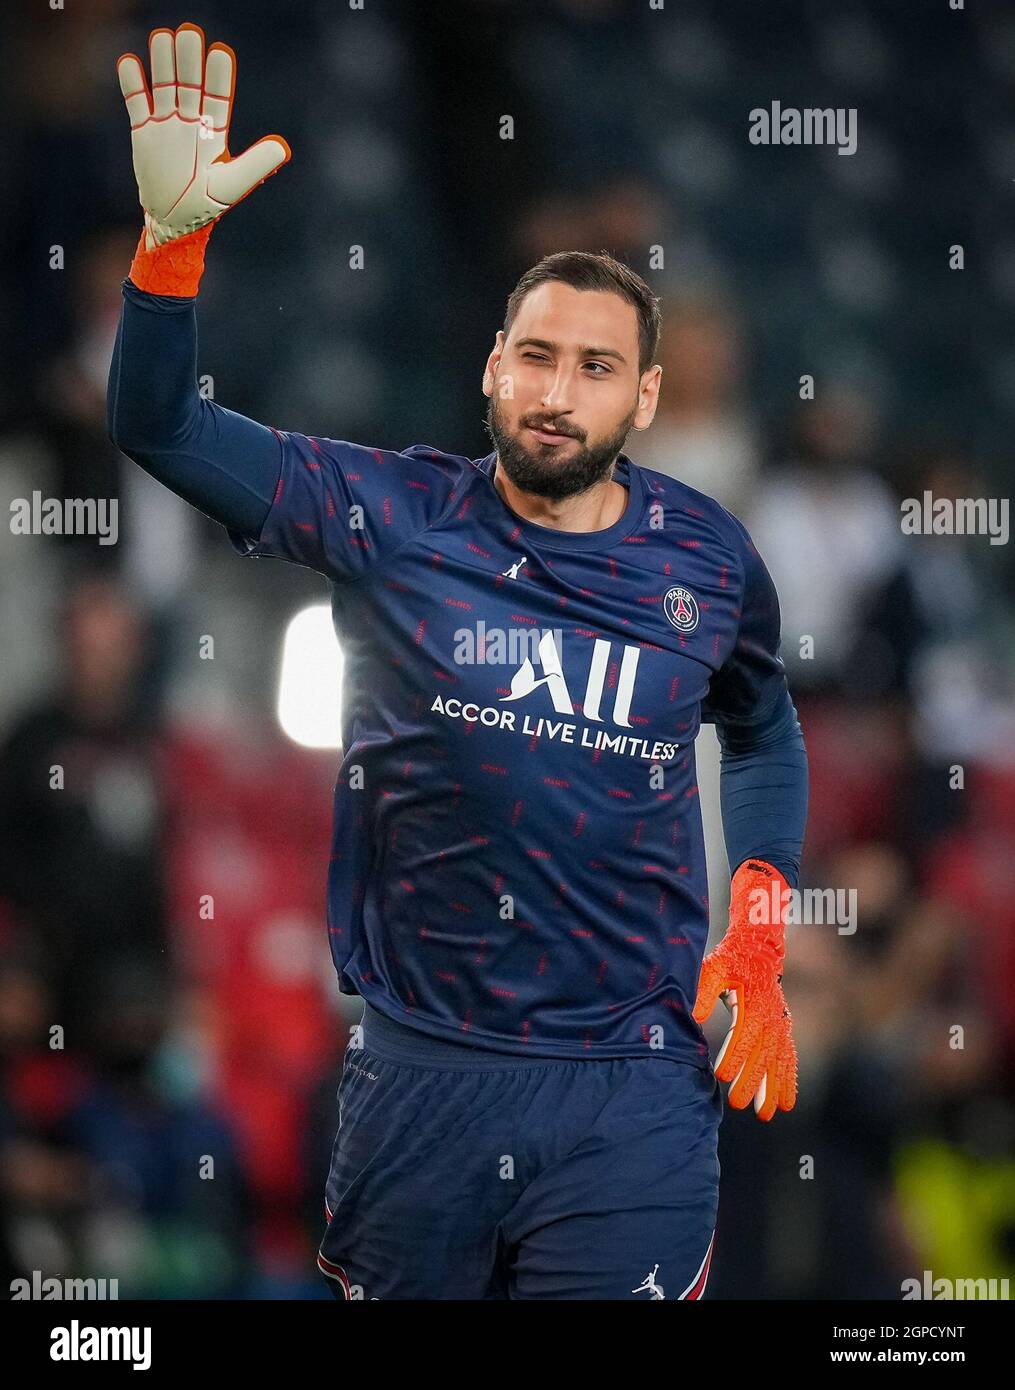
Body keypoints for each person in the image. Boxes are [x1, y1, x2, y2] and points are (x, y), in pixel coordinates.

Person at [106, 22, 808, 1300]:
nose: (557, 389)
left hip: (630, 1089)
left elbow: (760, 726)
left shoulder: (708, 558)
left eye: (595, 367)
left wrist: (759, 918)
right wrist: (168, 262)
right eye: (535, 356)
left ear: (643, 399)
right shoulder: (390, 514)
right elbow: (157, 424)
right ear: (491, 367)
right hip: (421, 1077)